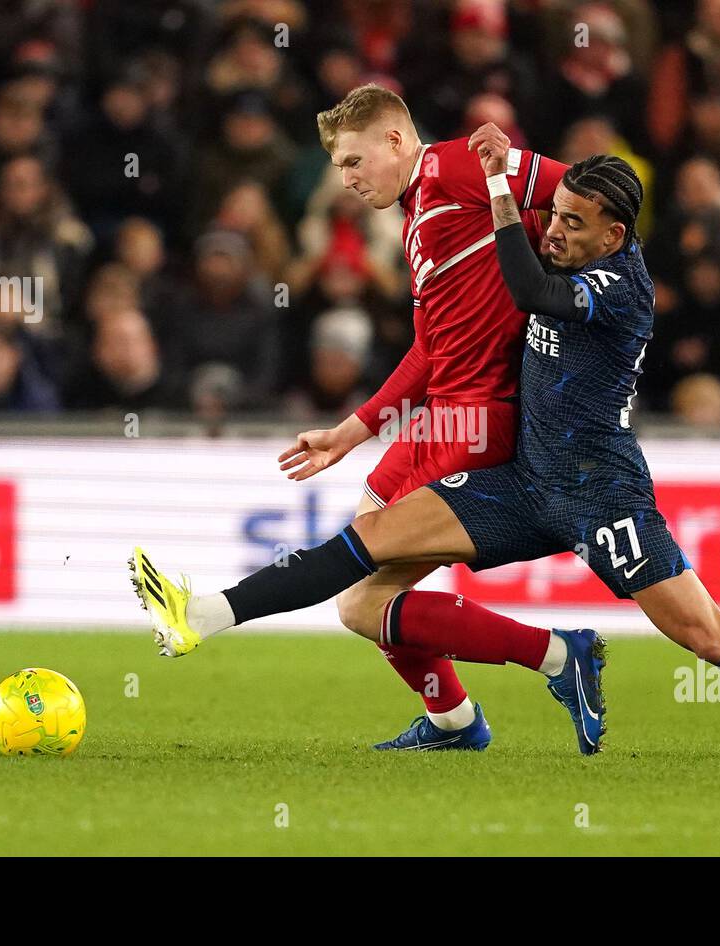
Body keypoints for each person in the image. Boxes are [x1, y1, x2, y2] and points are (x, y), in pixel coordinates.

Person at [130, 143, 720, 767]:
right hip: (522, 483)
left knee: (708, 638)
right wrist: (508, 165)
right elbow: (504, 280)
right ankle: (206, 615)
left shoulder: (623, 286)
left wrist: (498, 187)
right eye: (550, 213)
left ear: (614, 233)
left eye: (570, 222)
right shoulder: (572, 243)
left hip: (602, 495)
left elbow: (533, 292)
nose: (552, 229)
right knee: (362, 552)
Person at [258, 85, 566, 750]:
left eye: (351, 161)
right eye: (339, 167)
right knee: (365, 600)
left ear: (396, 141)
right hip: (435, 419)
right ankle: (455, 718)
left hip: (479, 418)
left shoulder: (456, 165)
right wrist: (351, 432)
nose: (345, 180)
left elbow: (579, 190)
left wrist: (574, 274)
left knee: (361, 599)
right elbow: (428, 350)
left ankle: (555, 658)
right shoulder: (416, 213)